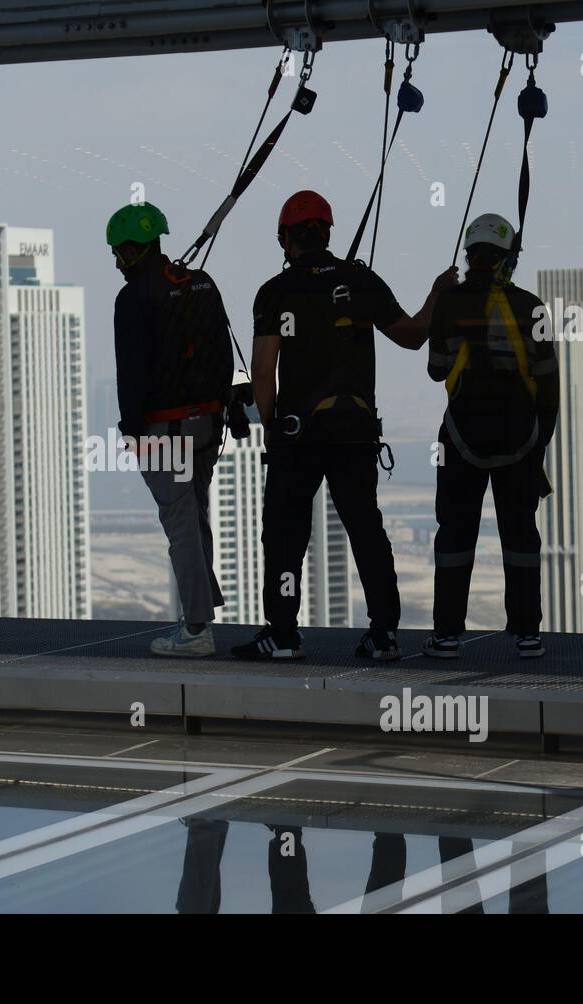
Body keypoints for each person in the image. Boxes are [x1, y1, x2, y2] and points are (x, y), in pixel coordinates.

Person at [232, 190, 457, 662]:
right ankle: (384, 634)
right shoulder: (361, 280)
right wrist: (438, 293)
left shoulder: (274, 293)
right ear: (326, 232)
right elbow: (414, 336)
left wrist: (270, 425)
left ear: (285, 238)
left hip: (298, 434)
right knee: (365, 528)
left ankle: (283, 634)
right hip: (354, 430)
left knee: (286, 533)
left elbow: (264, 371)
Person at [423, 213, 560, 660]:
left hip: (461, 438)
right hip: (520, 440)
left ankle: (446, 634)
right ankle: (527, 634)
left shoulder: (451, 303)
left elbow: (436, 369)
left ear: (470, 255)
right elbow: (549, 387)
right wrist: (538, 447)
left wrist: (445, 305)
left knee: (455, 533)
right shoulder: (532, 307)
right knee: (520, 535)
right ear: (508, 260)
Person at [108, 202, 234, 657]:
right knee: (195, 515)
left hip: (164, 430)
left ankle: (197, 629)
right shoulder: (199, 283)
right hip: (208, 424)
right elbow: (223, 350)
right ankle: (202, 607)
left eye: (119, 252)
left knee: (180, 525)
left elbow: (133, 372)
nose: (117, 262)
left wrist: (132, 430)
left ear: (133, 250)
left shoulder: (134, 298)